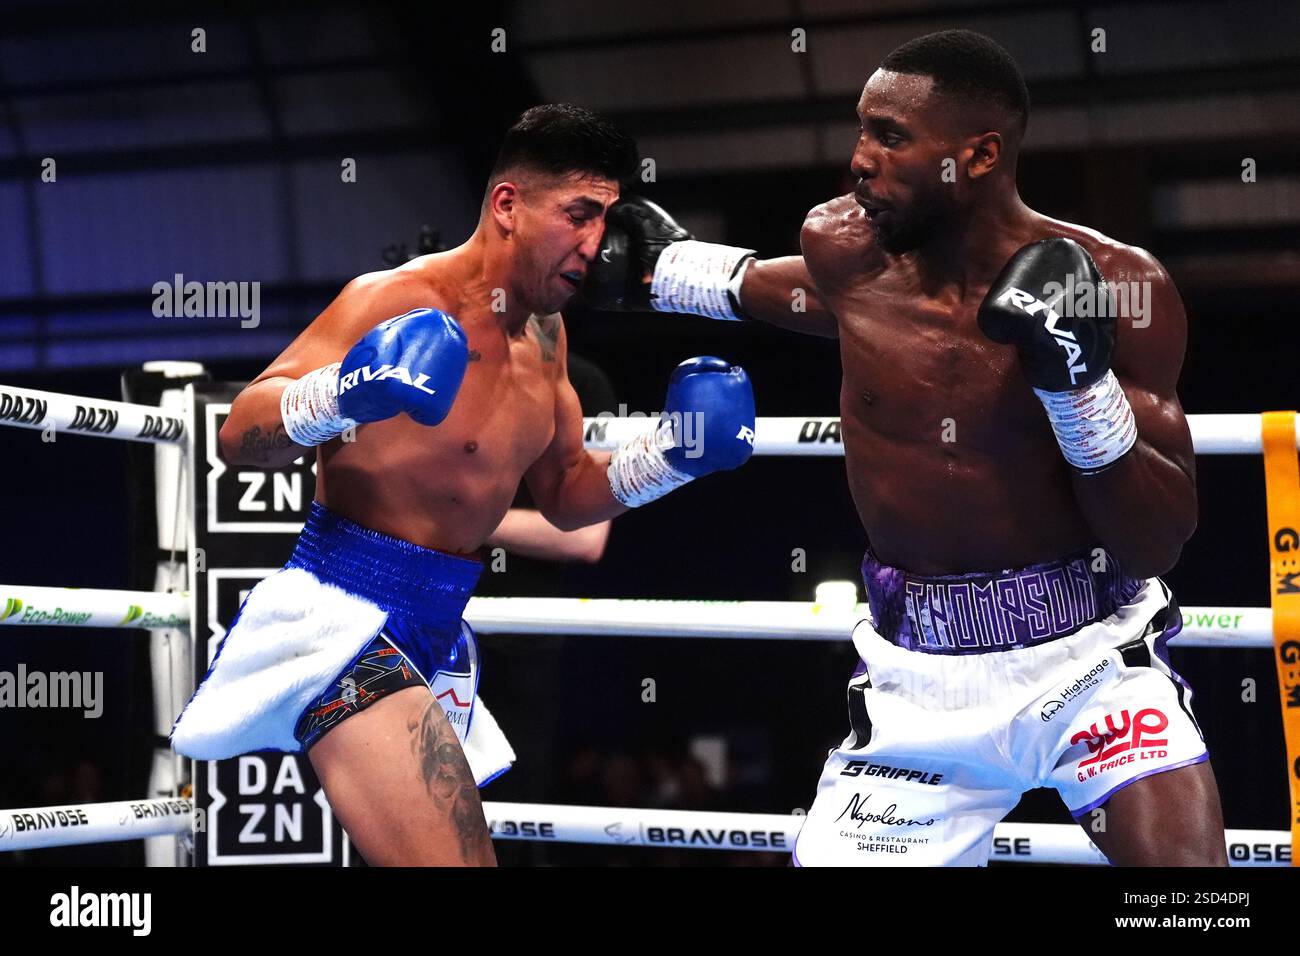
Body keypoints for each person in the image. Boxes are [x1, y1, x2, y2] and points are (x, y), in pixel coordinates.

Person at [587, 30, 1225, 866]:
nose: (859, 159)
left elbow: (1156, 538)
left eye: (890, 135)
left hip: (1090, 660)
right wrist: (668, 271)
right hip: (914, 679)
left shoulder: (1114, 286)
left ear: (981, 155)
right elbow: (792, 294)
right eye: (862, 129)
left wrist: (1078, 387)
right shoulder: (847, 253)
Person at [170, 104, 757, 866]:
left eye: (606, 219)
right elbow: (237, 437)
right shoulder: (396, 298)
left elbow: (569, 493)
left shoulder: (547, 336)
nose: (595, 244)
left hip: (435, 626)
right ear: (508, 205)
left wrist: (672, 459)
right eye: (578, 214)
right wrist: (341, 394)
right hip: (345, 621)